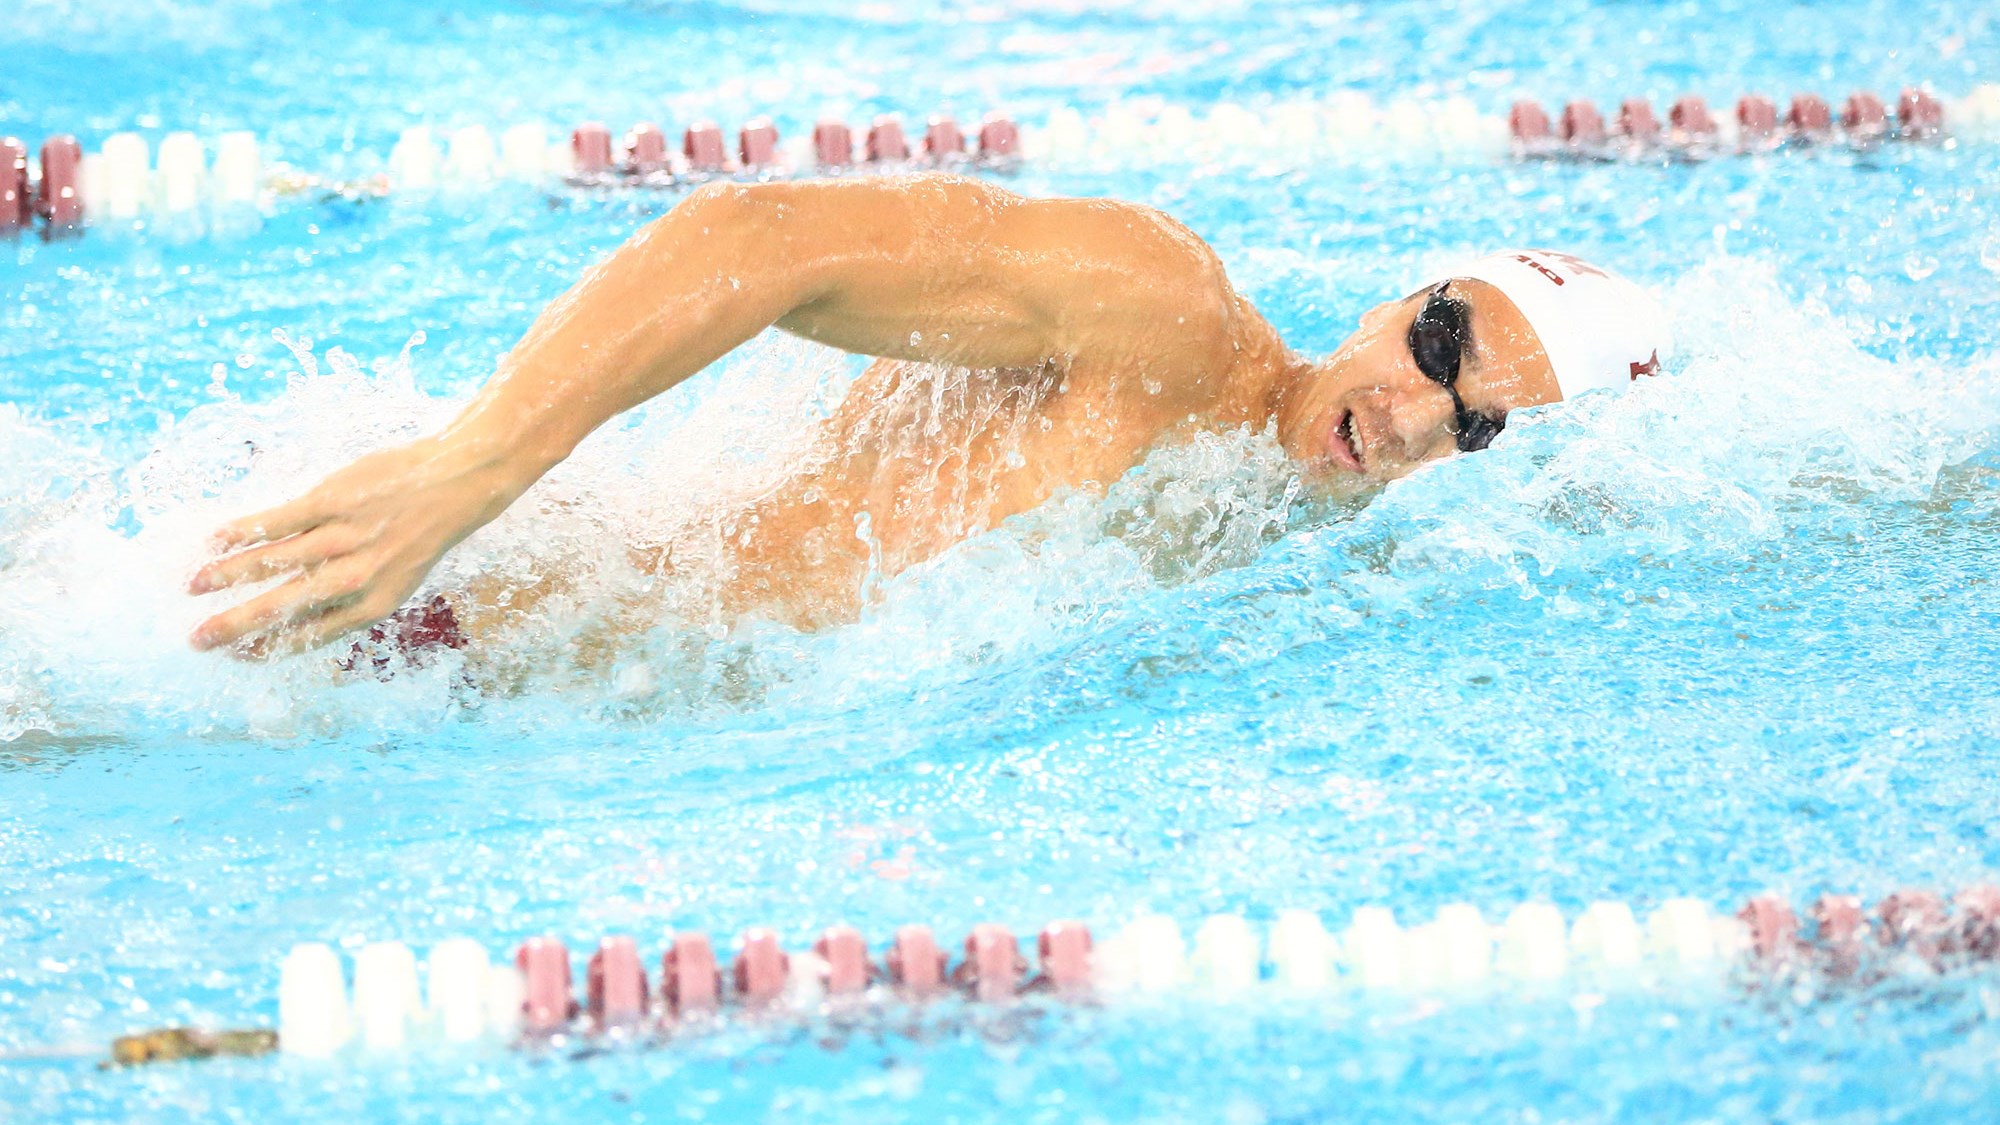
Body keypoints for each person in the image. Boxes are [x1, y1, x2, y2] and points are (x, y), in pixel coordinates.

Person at [185, 174, 1670, 656]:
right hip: (436, 589)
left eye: (1470, 424)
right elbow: (752, 238)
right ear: (1393, 300)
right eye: (1437, 344)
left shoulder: (1272, 531)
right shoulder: (1160, 311)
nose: (1412, 415)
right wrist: (470, 470)